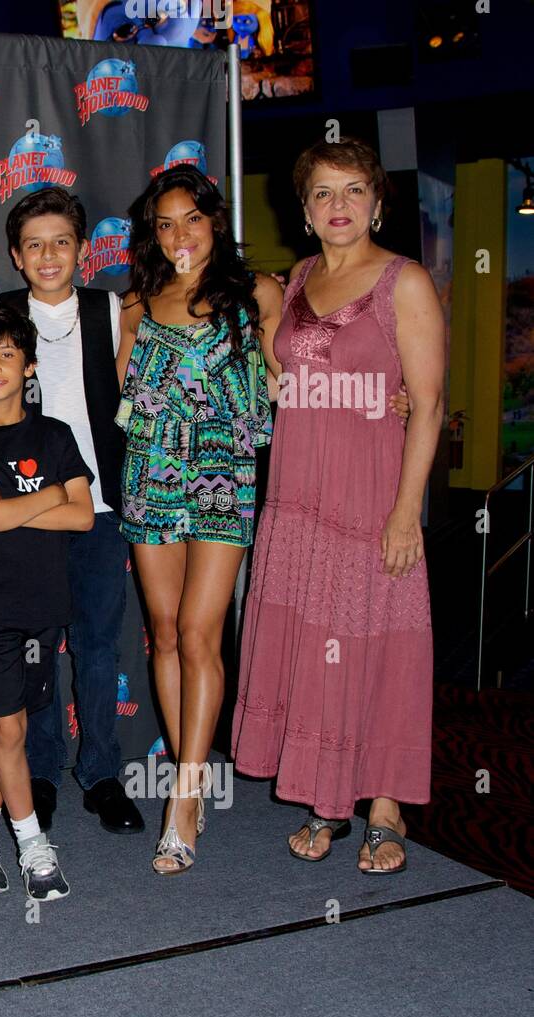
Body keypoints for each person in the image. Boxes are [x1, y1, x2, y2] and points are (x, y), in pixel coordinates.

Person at [232, 138, 443, 874]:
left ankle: (383, 806)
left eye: (355, 190)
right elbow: (284, 363)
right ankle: (329, 796)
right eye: (324, 192)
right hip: (298, 496)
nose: (340, 205)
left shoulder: (403, 282)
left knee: (375, 640)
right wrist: (271, 370)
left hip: (370, 494)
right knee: (321, 643)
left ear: (378, 202)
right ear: (305, 209)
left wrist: (405, 510)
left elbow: (431, 403)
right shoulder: (298, 278)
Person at [114, 166, 280, 875]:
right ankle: (191, 770)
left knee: (197, 630)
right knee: (162, 633)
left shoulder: (259, 294)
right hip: (152, 469)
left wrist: (382, 400)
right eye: (165, 223)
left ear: (216, 222)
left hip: (222, 468)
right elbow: (118, 396)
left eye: (192, 219)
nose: (180, 235)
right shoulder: (136, 305)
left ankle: (185, 794)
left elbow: (290, 377)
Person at [0, 186, 143, 837]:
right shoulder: (1, 315)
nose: (49, 254)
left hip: (101, 508)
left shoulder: (110, 309)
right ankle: (41, 770)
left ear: (83, 250)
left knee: (95, 642)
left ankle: (103, 772)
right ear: (16, 255)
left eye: (62, 241)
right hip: (28, 512)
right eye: (35, 244)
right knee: (35, 645)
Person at [0, 306, 95, 900]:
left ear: (29, 365)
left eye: (6, 353)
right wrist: (47, 493)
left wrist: (15, 502)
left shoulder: (54, 435)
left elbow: (82, 516)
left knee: (12, 725)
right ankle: (32, 843)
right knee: (6, 727)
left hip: (43, 605)